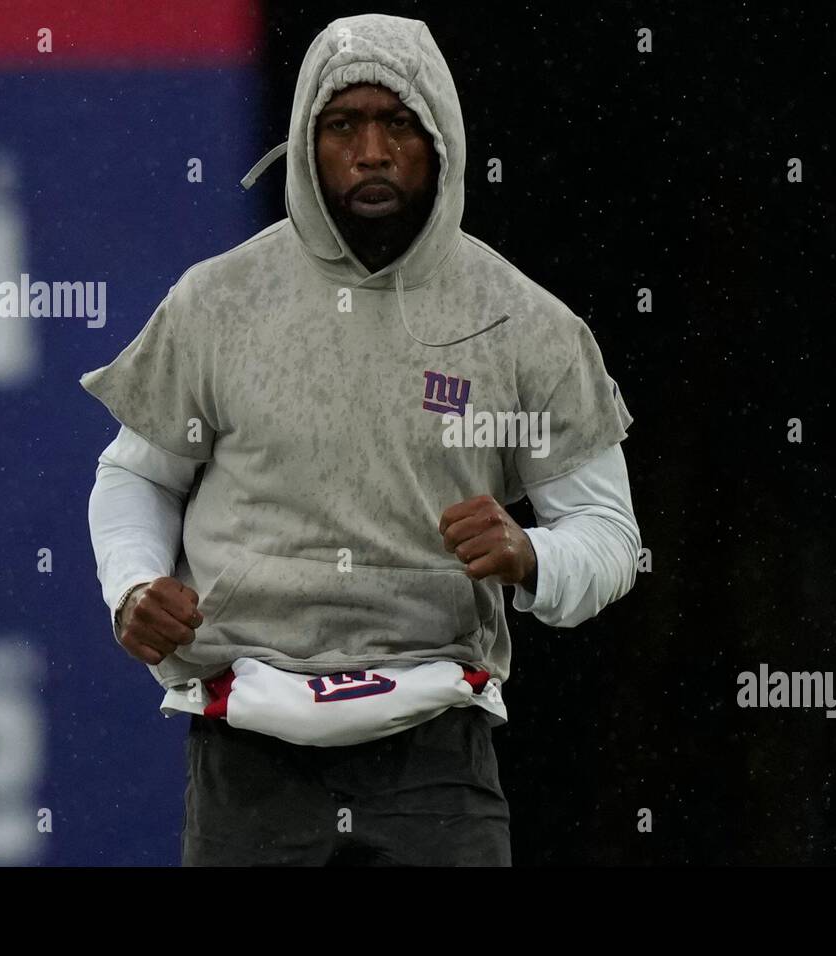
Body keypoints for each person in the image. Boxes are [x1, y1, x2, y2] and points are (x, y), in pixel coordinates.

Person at [81, 13, 639, 866]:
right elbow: (136, 476)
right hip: (249, 750)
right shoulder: (216, 303)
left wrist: (530, 552)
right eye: (344, 124)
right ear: (308, 142)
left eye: (398, 123)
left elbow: (610, 535)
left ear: (441, 138)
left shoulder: (527, 325)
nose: (372, 150)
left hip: (436, 750)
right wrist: (133, 583)